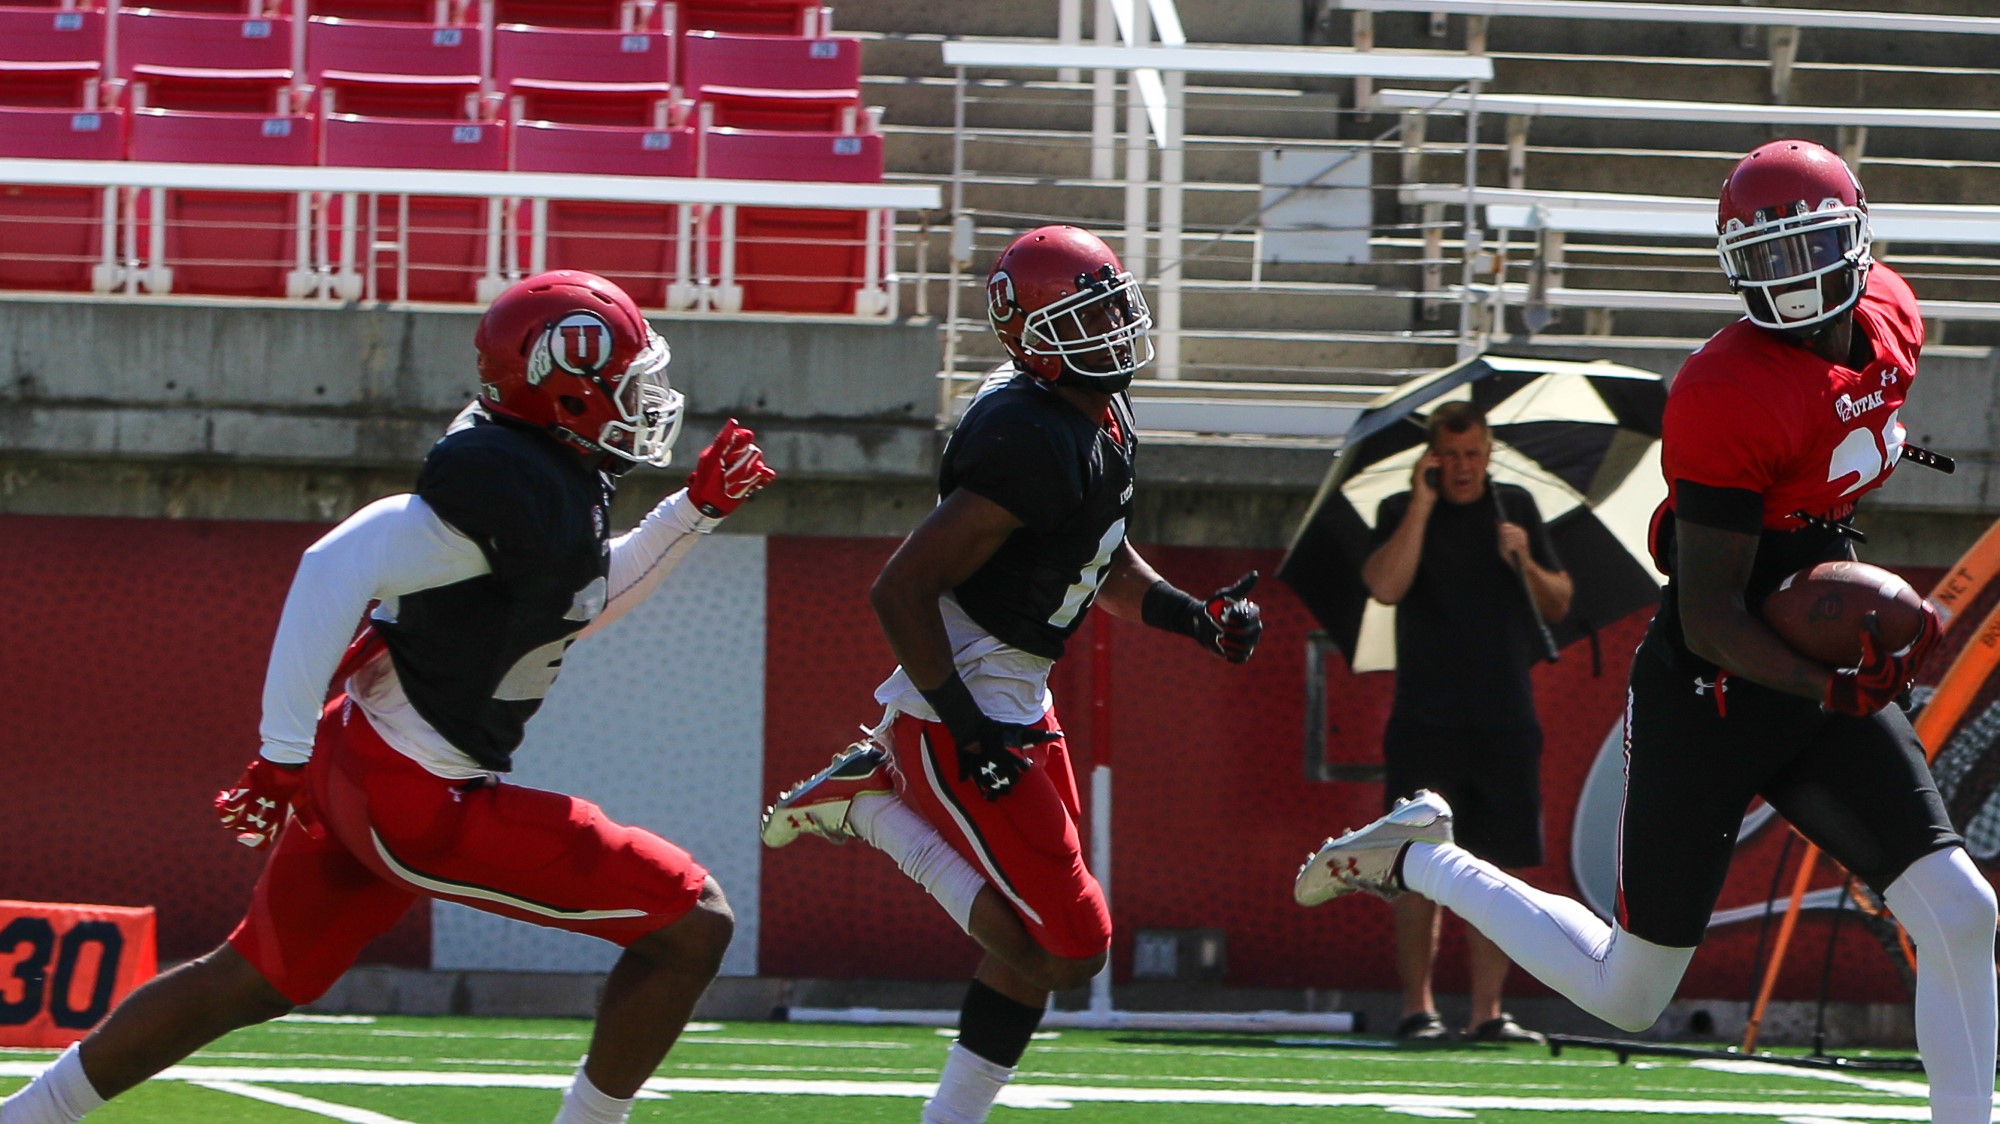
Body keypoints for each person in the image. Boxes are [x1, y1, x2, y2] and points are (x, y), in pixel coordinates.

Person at [1295, 140, 1997, 1120]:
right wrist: (1831, 684)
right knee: (1631, 988)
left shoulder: (1889, 315)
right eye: (1768, 260)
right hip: (1715, 685)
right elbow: (1710, 616)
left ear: (1856, 243)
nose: (1794, 283)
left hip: (1805, 652)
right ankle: (1420, 857)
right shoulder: (1724, 388)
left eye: (1810, 251)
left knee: (1960, 910)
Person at [0, 270, 777, 1124]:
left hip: (367, 759)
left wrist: (692, 512)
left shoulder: (537, 465)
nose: (640, 396)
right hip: (416, 793)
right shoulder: (505, 479)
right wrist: (279, 751)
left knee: (246, 979)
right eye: (623, 378)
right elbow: (337, 564)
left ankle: (28, 1114)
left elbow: (576, 603)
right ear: (562, 385)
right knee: (692, 924)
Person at [759, 225, 1263, 1124]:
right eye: (1087, 314)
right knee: (1069, 951)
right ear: (1033, 337)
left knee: (1039, 943)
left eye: (1114, 304)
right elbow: (901, 589)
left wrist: (1192, 616)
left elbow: (1093, 553)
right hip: (965, 696)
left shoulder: (1098, 410)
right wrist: (962, 724)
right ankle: (873, 806)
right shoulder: (1028, 433)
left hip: (1018, 692)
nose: (1112, 327)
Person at [1358, 399, 1571, 1043]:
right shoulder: (1399, 512)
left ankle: (1488, 1012)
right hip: (1425, 718)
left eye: (1472, 454)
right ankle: (1416, 1009)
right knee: (1417, 865)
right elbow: (1385, 586)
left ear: (1488, 453)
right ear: (1430, 459)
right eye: (1448, 457)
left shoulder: (1517, 512)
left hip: (1505, 716)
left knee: (1495, 869)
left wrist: (1525, 561)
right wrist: (1421, 505)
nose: (1462, 468)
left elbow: (1560, 603)